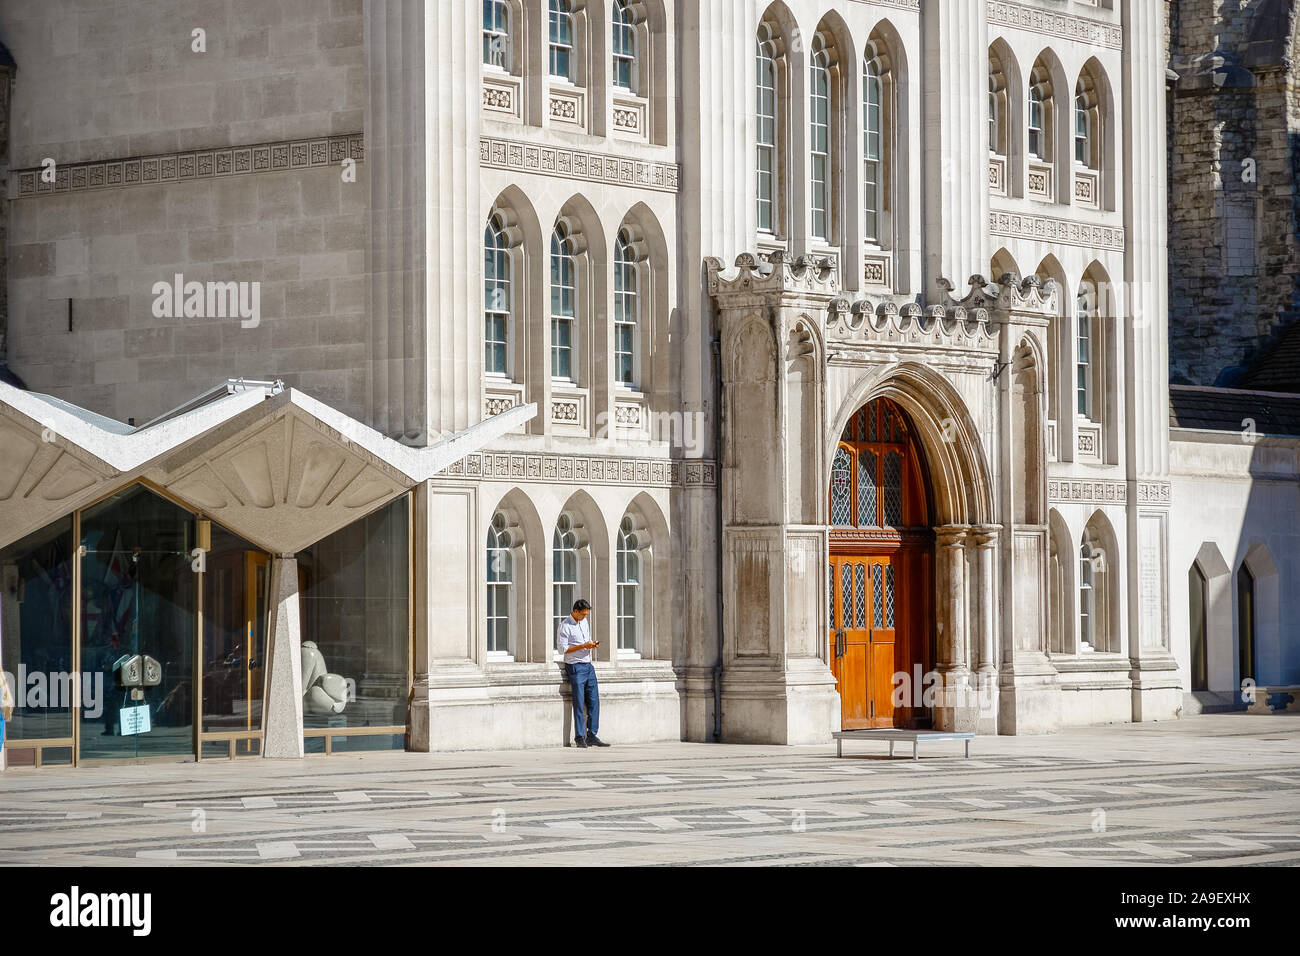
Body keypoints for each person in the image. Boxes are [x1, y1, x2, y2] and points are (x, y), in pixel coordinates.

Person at [556, 599, 610, 748]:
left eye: (586, 615)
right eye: (583, 615)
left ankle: (592, 734)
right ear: (575, 611)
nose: (585, 617)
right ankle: (580, 737)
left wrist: (590, 644)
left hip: (588, 665)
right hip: (575, 666)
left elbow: (585, 641)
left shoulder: (584, 623)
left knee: (594, 701)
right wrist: (583, 646)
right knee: (579, 702)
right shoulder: (565, 626)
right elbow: (563, 650)